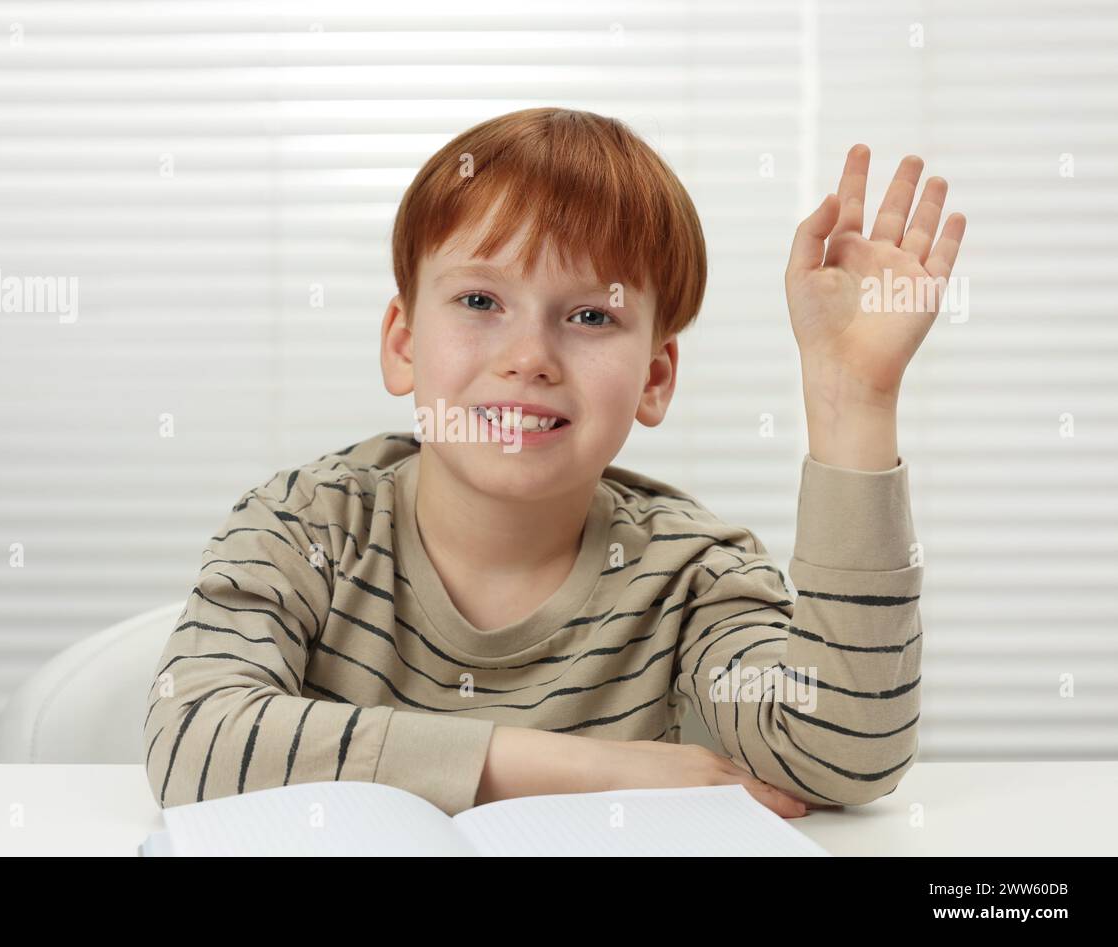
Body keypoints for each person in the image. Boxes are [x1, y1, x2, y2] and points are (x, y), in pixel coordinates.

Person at [143, 107, 965, 821]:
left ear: (654, 377)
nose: (529, 356)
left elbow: (839, 756)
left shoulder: (692, 575)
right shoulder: (305, 526)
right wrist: (596, 769)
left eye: (589, 315)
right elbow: (195, 736)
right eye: (479, 301)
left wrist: (853, 401)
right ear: (402, 343)